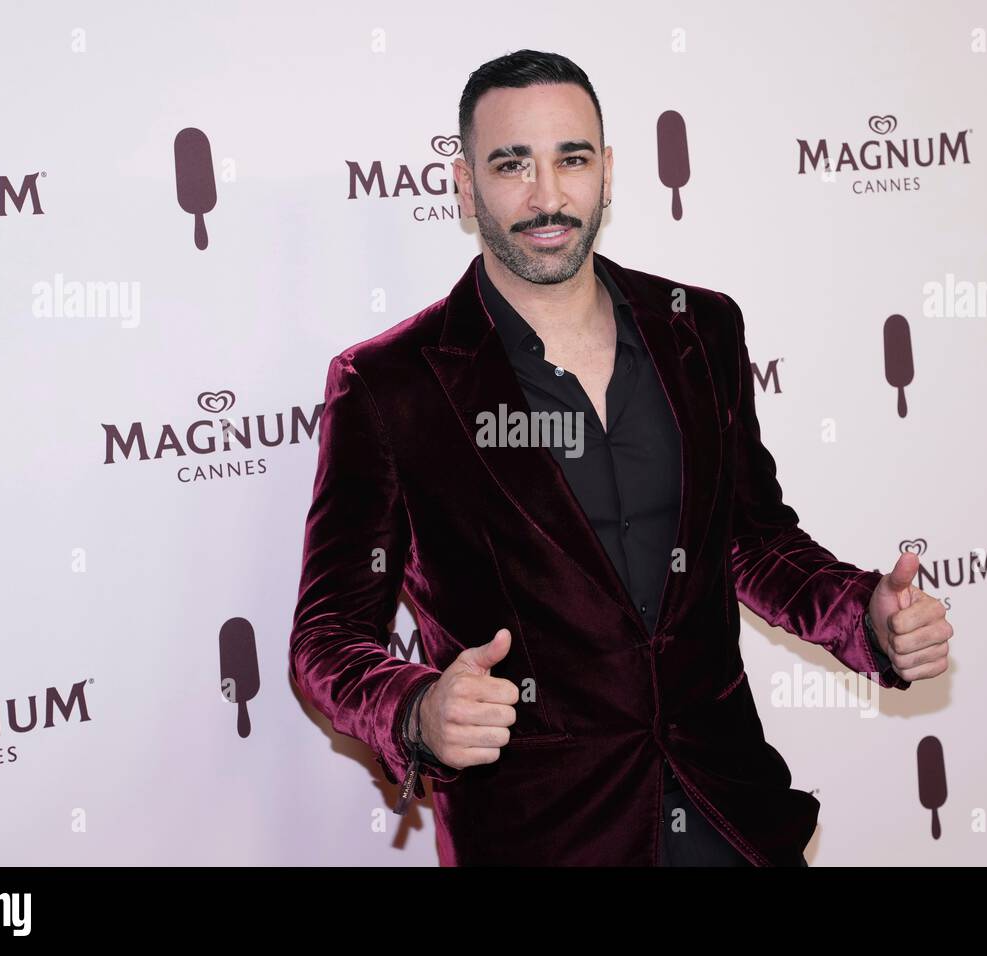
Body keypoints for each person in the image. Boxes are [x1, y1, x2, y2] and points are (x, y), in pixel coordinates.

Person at [289, 49, 953, 866]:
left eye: (571, 159)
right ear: (464, 185)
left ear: (606, 172)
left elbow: (751, 541)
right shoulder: (390, 385)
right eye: (512, 164)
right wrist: (416, 709)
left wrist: (863, 617)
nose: (547, 196)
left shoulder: (700, 329)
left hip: (728, 813)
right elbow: (328, 636)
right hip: (541, 837)